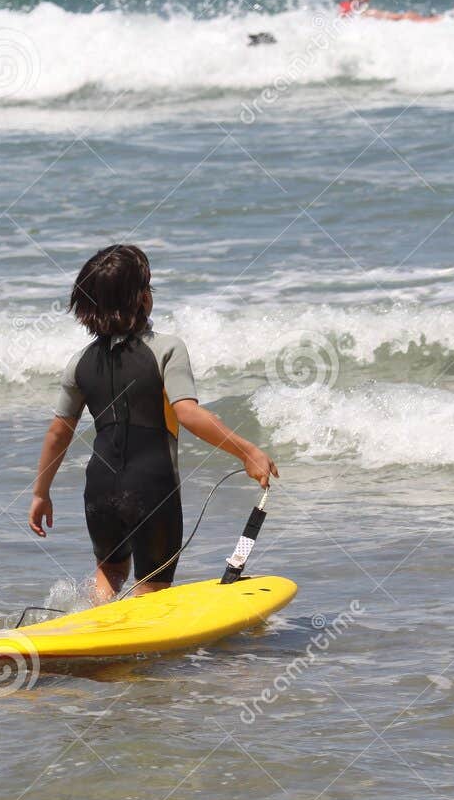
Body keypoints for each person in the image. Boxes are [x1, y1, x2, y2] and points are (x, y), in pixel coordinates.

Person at [28, 245, 278, 603]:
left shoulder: (79, 363)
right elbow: (189, 414)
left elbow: (58, 432)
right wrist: (248, 451)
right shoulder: (167, 349)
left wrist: (40, 493)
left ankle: (93, 637)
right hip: (152, 490)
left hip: (99, 489)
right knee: (152, 589)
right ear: (143, 299)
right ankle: (135, 656)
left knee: (110, 572)